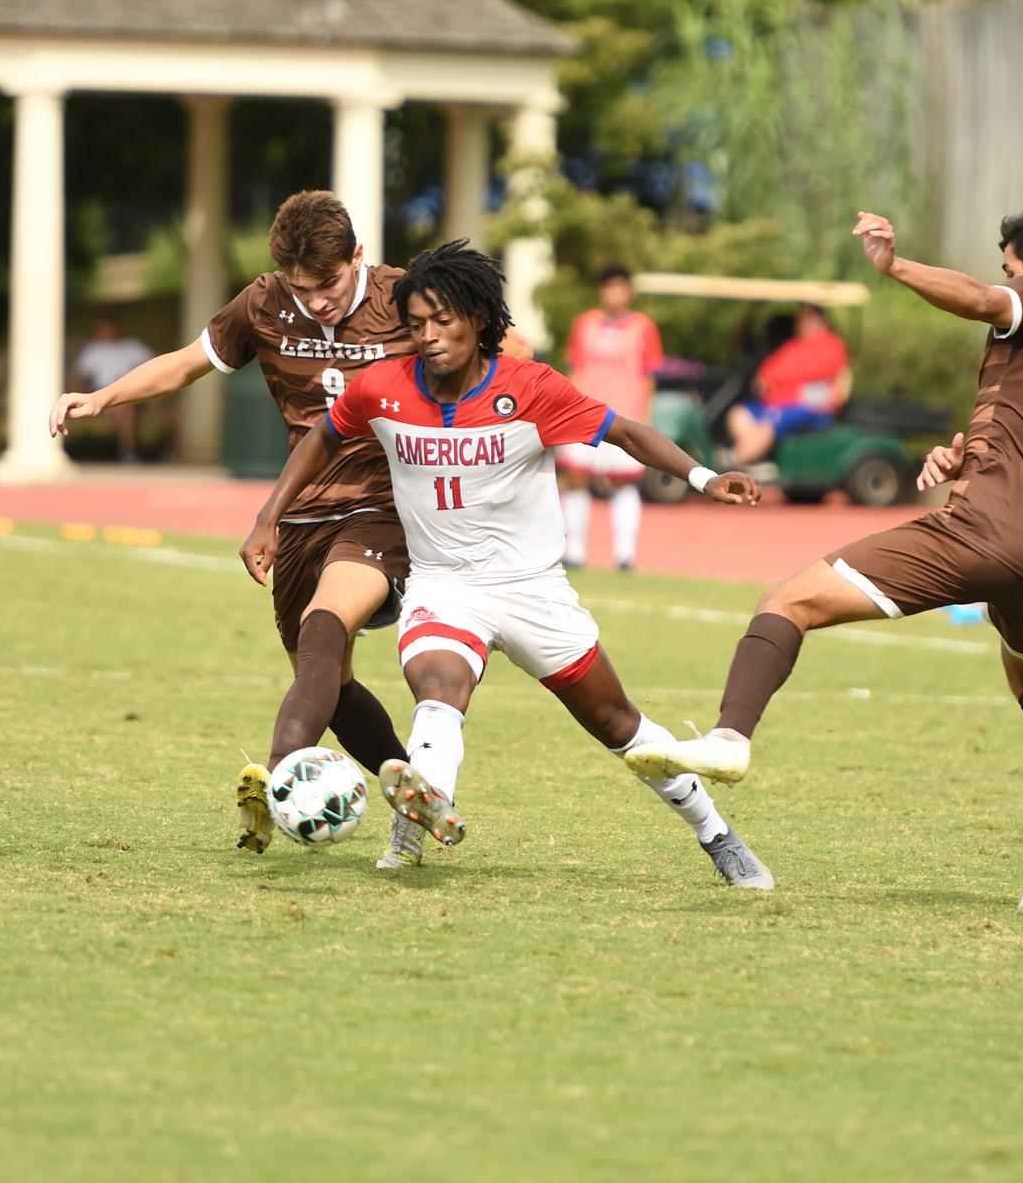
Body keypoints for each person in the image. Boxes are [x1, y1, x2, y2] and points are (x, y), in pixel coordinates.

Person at [626, 205, 1023, 917]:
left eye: (1012, 267)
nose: (1007, 284)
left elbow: (986, 301)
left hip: (987, 530)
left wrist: (896, 267)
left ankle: (729, 738)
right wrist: (970, 456)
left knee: (787, 600)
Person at [240, 241, 776, 888]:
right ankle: (416, 821)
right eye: (415, 325)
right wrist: (271, 512)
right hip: (443, 584)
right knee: (437, 689)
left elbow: (628, 432)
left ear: (479, 318)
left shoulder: (531, 388)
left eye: (443, 321)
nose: (429, 337)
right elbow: (325, 435)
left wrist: (703, 475)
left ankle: (717, 835)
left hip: (532, 591)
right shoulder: (381, 388)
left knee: (620, 725)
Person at [53, 192, 530, 868]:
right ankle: (413, 786)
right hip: (301, 508)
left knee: (324, 620)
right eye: (303, 288)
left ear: (357, 258)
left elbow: (512, 348)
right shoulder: (264, 302)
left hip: (386, 505)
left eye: (329, 285)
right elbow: (188, 362)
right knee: (326, 681)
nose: (317, 302)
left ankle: (281, 775)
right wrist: (102, 397)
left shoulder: (408, 296)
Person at [557, 264, 662, 571]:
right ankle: (574, 552)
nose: (614, 294)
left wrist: (646, 415)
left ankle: (624, 555)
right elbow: (574, 369)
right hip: (585, 413)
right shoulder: (584, 324)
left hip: (625, 415)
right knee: (576, 479)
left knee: (624, 483)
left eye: (619, 287)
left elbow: (650, 375)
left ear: (629, 291)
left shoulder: (644, 327)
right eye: (608, 287)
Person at [725, 303, 851, 467]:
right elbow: (766, 374)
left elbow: (816, 385)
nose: (799, 322)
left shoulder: (831, 345)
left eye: (805, 318)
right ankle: (757, 457)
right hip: (779, 403)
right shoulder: (794, 346)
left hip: (811, 406)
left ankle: (730, 464)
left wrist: (780, 386)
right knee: (738, 414)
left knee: (768, 423)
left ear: (820, 320)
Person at [70, 317, 156, 462]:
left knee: (124, 402)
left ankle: (125, 447)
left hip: (131, 394)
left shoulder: (132, 347)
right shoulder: (93, 350)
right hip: (100, 393)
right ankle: (128, 450)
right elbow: (79, 377)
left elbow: (155, 366)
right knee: (121, 403)